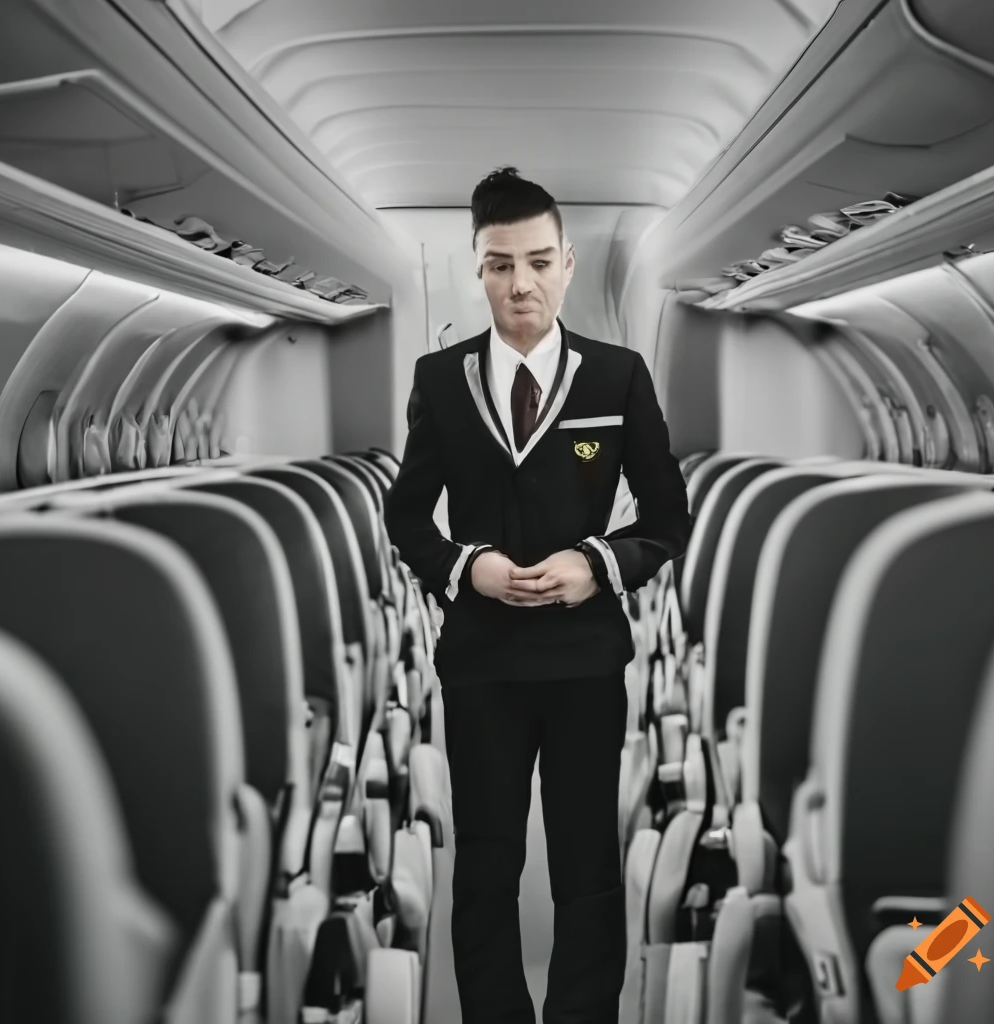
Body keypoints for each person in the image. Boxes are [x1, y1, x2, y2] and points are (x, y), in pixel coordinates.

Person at [383, 167, 692, 1024]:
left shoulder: (617, 377)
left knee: (586, 860)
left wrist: (598, 562)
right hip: (481, 660)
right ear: (476, 270)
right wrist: (464, 566)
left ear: (567, 264)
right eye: (498, 264)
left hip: (585, 656)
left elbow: (668, 516)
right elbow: (407, 517)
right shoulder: (441, 379)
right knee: (484, 862)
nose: (520, 283)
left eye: (537, 261)